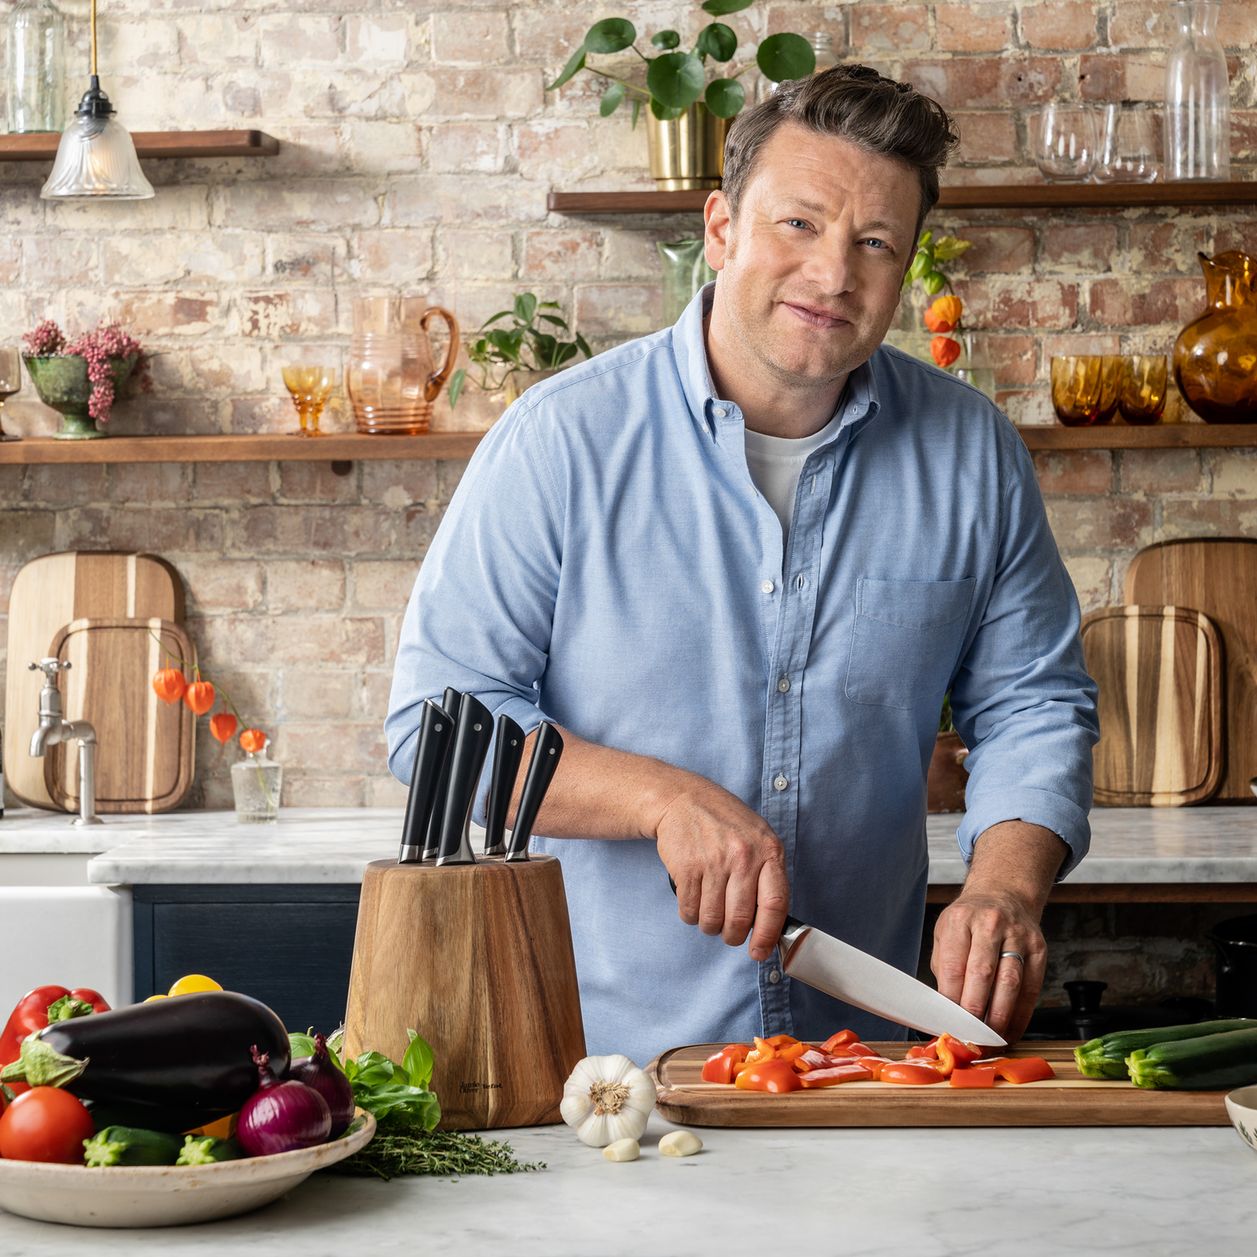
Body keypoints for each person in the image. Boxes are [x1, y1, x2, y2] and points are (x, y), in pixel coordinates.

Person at [387, 64, 1099, 1067]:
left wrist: (1004, 887)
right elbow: (437, 723)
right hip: (599, 1072)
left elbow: (1034, 704)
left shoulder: (972, 453)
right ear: (720, 230)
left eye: (875, 244)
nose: (834, 275)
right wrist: (658, 800)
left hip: (864, 1067)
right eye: (799, 225)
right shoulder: (560, 441)